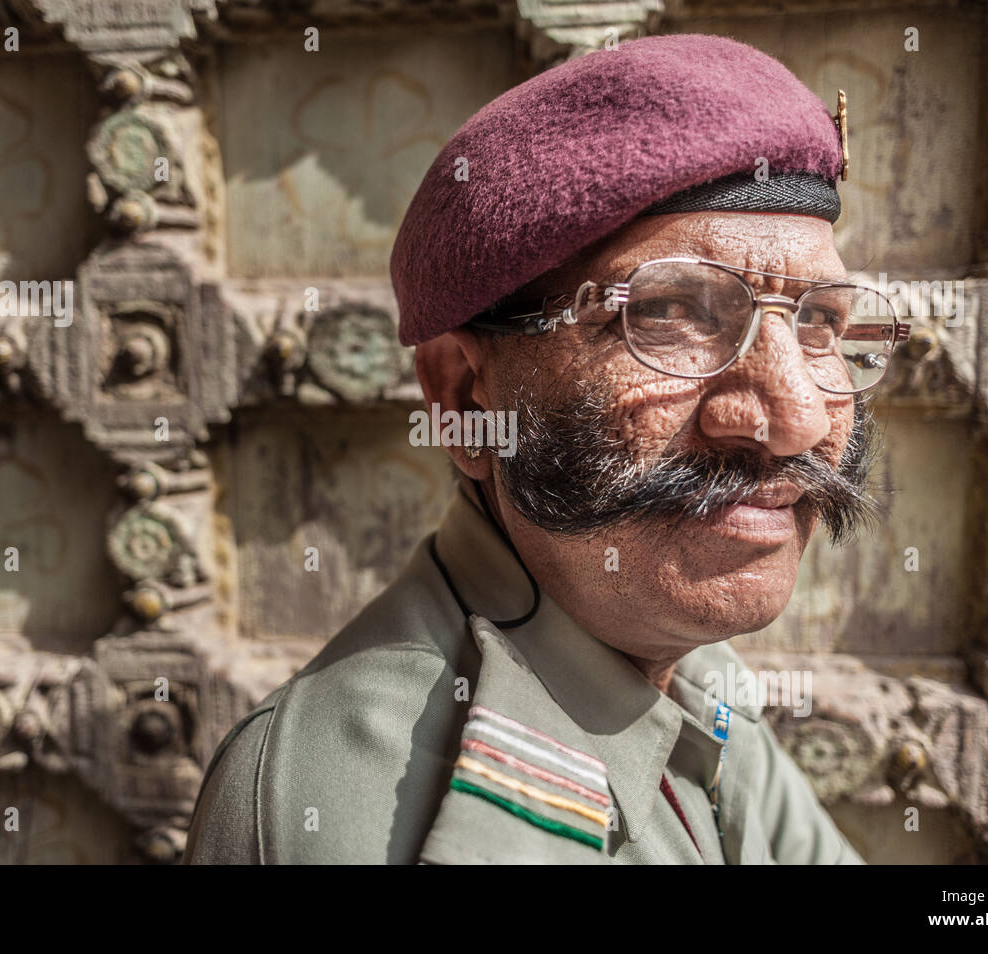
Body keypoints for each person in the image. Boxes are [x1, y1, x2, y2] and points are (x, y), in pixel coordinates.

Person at [184, 31, 908, 864]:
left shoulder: (685, 672)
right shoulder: (353, 819)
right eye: (670, 315)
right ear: (460, 397)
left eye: (820, 321)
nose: (798, 419)